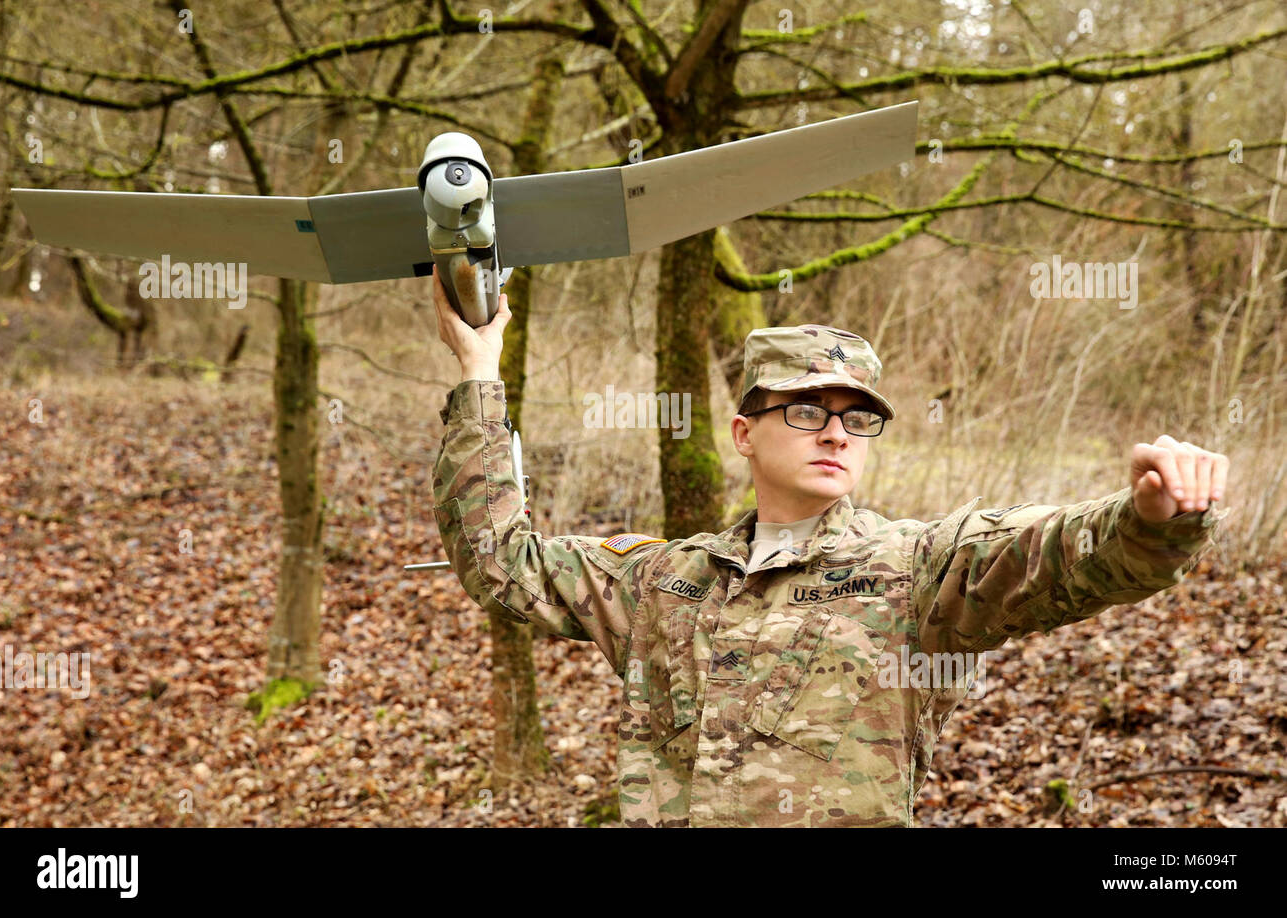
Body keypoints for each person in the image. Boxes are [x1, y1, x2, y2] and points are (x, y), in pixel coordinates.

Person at [428, 274, 1230, 827]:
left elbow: (1052, 557)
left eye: (858, 415)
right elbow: (501, 561)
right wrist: (479, 372)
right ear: (744, 433)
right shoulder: (664, 581)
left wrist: (1151, 518)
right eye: (807, 410)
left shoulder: (913, 571)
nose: (839, 430)